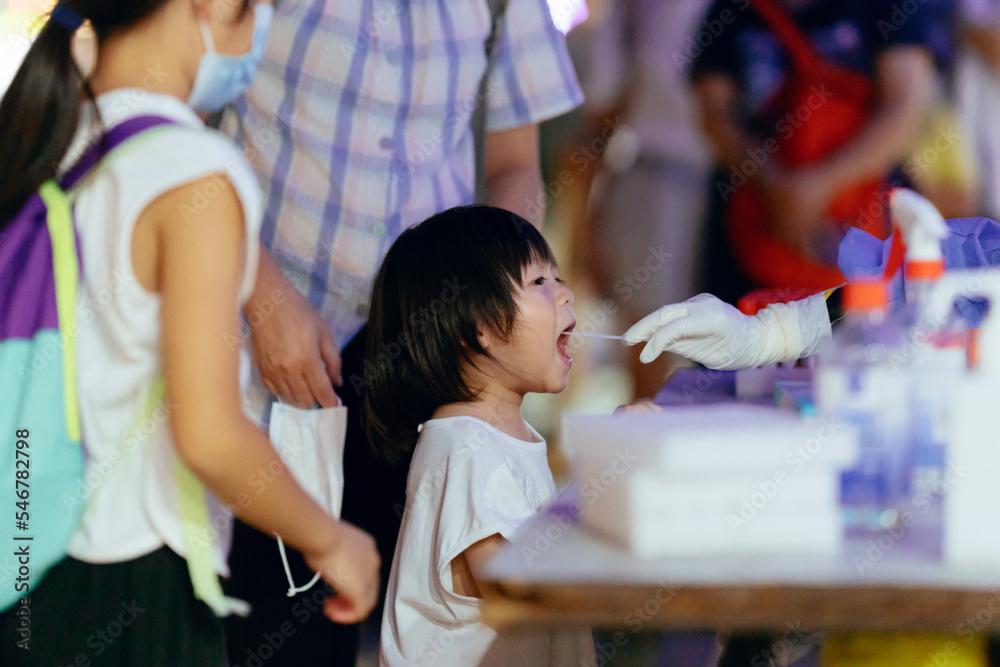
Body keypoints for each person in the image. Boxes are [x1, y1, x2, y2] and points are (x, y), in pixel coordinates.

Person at [0, 1, 378, 663]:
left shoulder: (49, 133)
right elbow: (208, 433)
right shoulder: (189, 168)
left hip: (28, 561)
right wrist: (330, 538)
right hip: (131, 576)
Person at [218, 2, 584, 663]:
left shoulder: (468, 438)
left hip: (423, 348)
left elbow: (514, 160)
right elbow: (189, 133)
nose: (562, 297)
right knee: (282, 617)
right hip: (272, 342)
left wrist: (492, 304)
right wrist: (263, 295)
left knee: (418, 593)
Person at [364, 206, 595, 665]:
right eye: (539, 283)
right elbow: (516, 589)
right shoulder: (465, 449)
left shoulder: (501, 436)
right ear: (480, 327)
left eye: (558, 277)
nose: (565, 294)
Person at [692, 0, 938, 302]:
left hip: (862, 233)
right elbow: (714, 116)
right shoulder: (732, 10)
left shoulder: (887, 8)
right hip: (752, 236)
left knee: (860, 338)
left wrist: (818, 186)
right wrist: (776, 185)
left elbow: (906, 109)